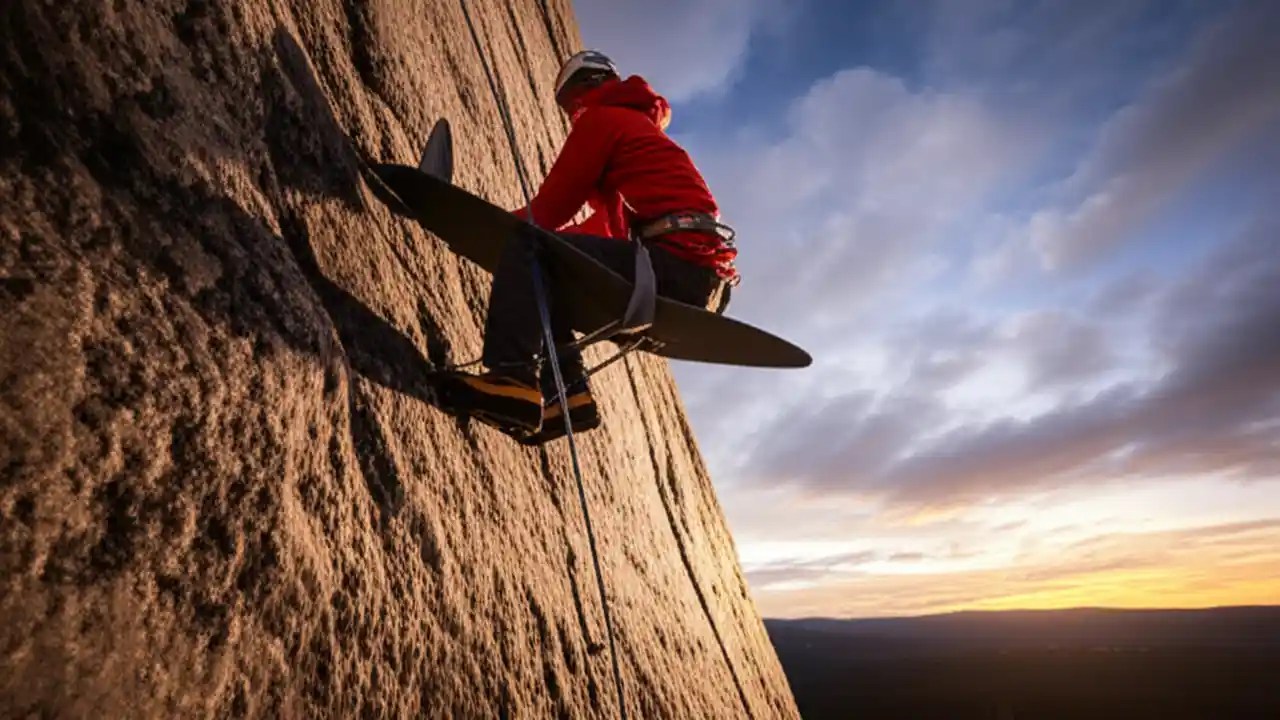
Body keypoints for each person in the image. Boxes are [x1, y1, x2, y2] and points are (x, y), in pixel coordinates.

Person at [446, 50, 738, 443]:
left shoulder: (605, 119)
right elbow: (604, 234)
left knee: (528, 242)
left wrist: (469, 222)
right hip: (700, 280)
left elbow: (548, 212)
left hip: (676, 265)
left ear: (592, 85)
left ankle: (510, 378)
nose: (572, 115)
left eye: (570, 101)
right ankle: (569, 396)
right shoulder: (639, 132)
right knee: (557, 273)